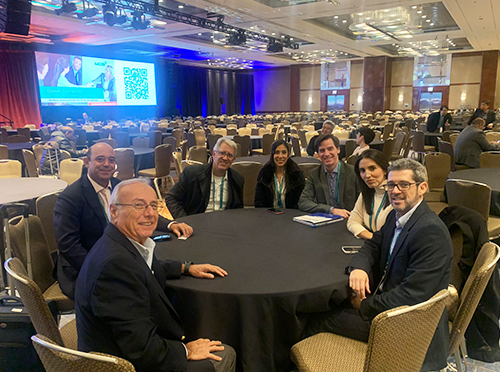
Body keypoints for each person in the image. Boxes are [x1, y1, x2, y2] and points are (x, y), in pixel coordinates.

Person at [305, 158, 452, 372]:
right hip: (388, 306)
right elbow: (373, 245)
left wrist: (364, 306)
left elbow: (412, 296)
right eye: (391, 185)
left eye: (404, 184)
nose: (395, 191)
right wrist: (359, 268)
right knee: (334, 301)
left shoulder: (430, 232)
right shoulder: (397, 215)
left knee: (315, 317)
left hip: (406, 328)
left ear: (423, 188)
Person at [76, 179, 236, 372]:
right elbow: (143, 352)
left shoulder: (118, 244)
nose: (150, 213)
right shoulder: (115, 266)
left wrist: (185, 268)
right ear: (114, 211)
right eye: (138, 205)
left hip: (125, 345)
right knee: (225, 354)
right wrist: (186, 350)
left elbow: (144, 267)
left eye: (153, 205)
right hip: (125, 364)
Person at [53, 143, 193, 299]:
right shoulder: (70, 198)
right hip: (85, 268)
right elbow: (68, 245)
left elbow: (142, 210)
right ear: (87, 162)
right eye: (100, 159)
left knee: (154, 278)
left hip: (120, 255)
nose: (107, 164)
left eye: (111, 160)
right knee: (135, 290)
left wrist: (170, 224)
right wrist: (105, 269)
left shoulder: (118, 185)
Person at [165, 138, 244, 218]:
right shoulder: (192, 174)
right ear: (214, 154)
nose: (225, 158)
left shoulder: (237, 179)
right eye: (222, 153)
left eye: (229, 155)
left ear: (233, 159)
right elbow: (171, 198)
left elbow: (238, 208)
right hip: (197, 223)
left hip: (224, 224)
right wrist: (184, 220)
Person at [298, 134, 360, 218]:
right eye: (322, 150)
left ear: (338, 150)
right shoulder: (314, 174)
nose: (326, 154)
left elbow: (364, 202)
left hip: (350, 219)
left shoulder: (353, 172)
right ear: (318, 154)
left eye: (330, 149)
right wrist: (331, 210)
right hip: (325, 221)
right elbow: (303, 202)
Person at [347, 149, 392, 240]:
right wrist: (371, 237)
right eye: (362, 170)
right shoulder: (366, 193)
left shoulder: (396, 195)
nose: (367, 175)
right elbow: (352, 221)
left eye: (372, 168)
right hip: (373, 244)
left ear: (385, 170)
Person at [254, 140, 305, 209]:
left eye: (284, 152)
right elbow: (258, 201)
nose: (280, 156)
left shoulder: (296, 174)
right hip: (268, 215)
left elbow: (301, 201)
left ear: (288, 155)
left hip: (291, 214)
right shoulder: (264, 173)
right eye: (277, 152)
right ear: (271, 155)